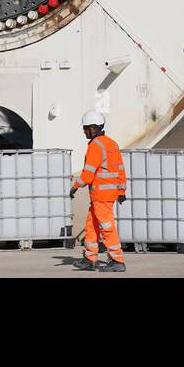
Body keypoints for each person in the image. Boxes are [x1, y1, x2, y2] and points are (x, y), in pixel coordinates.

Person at [69, 110, 128, 272]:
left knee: (106, 227)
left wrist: (75, 185)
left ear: (92, 128)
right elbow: (120, 170)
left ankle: (117, 260)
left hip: (101, 195)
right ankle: (90, 258)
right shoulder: (111, 144)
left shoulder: (95, 146)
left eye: (85, 129)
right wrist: (122, 190)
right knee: (92, 225)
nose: (84, 132)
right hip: (107, 194)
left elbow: (88, 173)